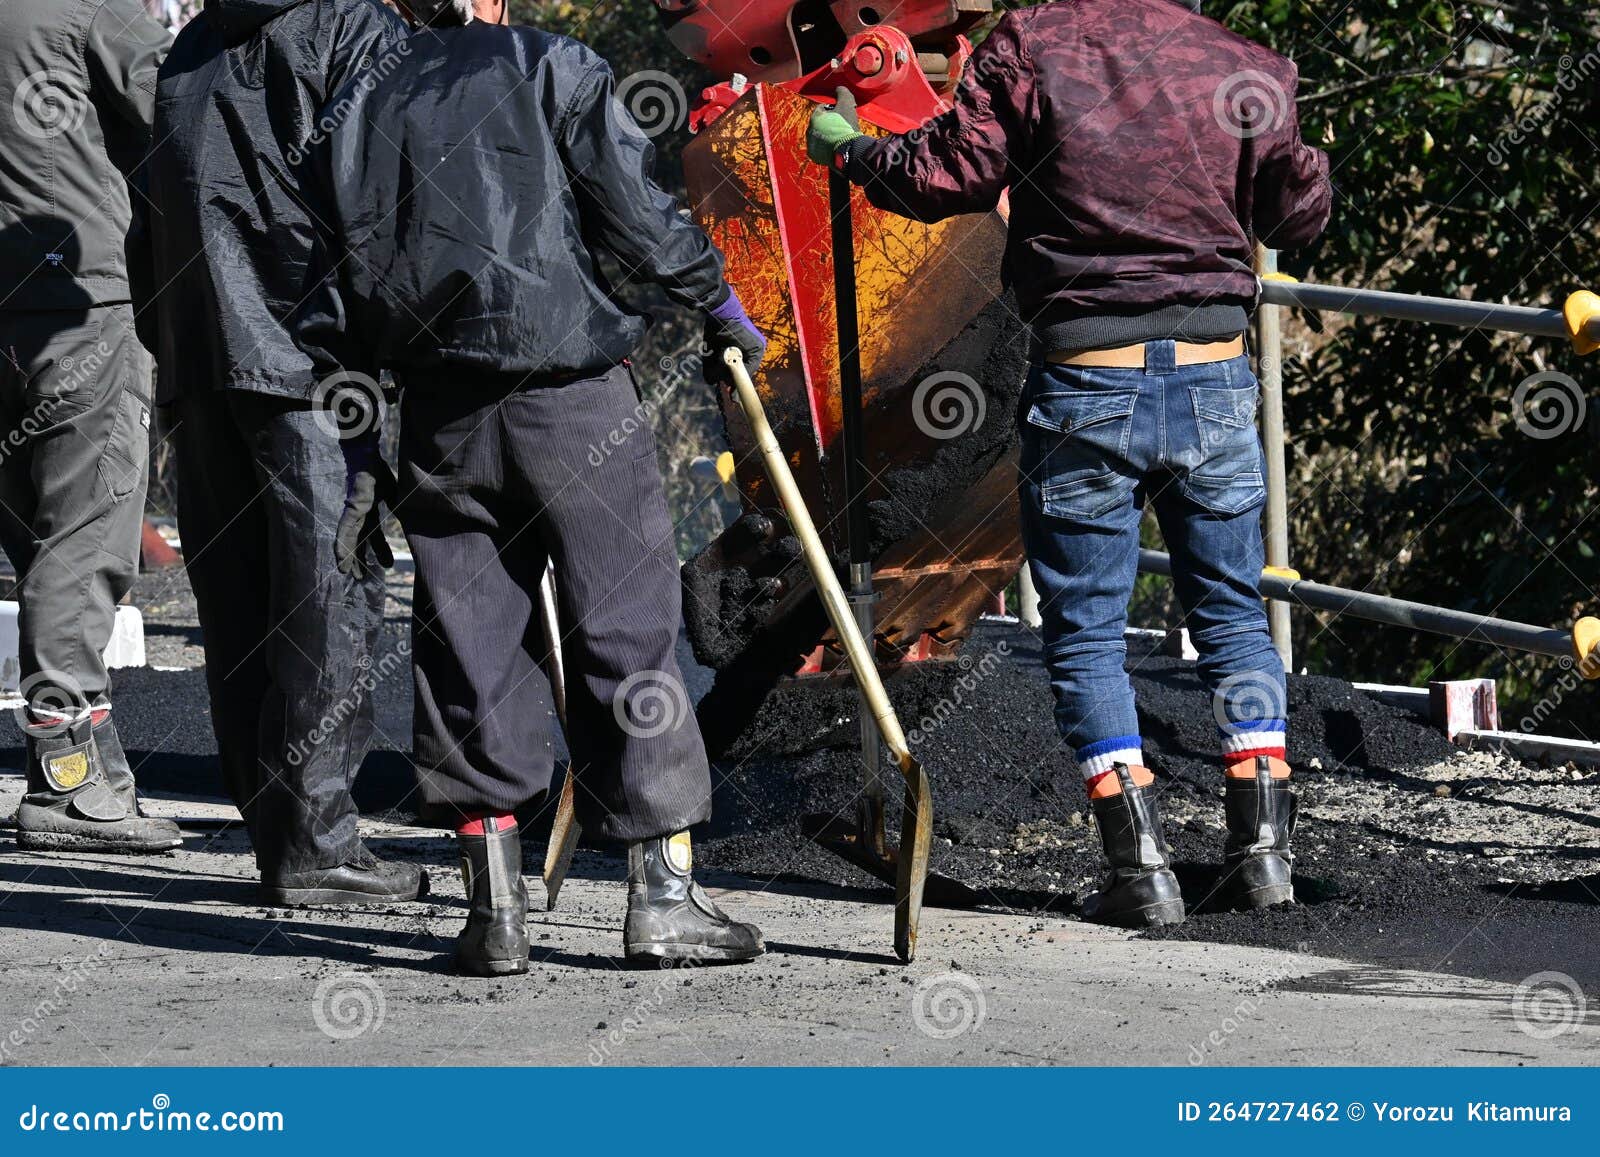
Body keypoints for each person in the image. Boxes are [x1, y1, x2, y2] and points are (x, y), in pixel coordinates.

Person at [807, 0, 1332, 926]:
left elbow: (949, 173)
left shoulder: (1032, 43)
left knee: (1087, 630)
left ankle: (1142, 871)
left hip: (1089, 379)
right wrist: (1296, 146)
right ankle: (1264, 854)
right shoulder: (1240, 61)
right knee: (1234, 616)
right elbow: (1298, 212)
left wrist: (853, 151)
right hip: (1215, 374)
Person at [295, 0, 768, 974]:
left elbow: (324, 271)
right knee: (625, 627)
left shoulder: (358, 99)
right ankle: (661, 897)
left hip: (436, 414)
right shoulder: (556, 66)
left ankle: (494, 914)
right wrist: (710, 298)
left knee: (466, 641)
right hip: (571, 398)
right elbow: (636, 215)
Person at [141, 0, 426, 904]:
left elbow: (155, 207)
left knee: (239, 602)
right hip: (309, 364)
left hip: (205, 354)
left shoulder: (192, 45)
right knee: (327, 598)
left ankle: (278, 828)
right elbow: (379, 202)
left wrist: (176, 346)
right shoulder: (355, 29)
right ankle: (318, 843)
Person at [0, 0, 180, 852]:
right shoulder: (85, 9)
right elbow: (187, 112)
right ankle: (67, 779)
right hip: (81, 312)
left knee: (42, 546)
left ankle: (94, 766)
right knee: (81, 540)